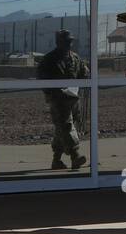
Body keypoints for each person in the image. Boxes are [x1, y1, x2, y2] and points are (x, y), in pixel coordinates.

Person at [37, 29, 89, 171]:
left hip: (72, 98)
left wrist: (86, 79)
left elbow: (84, 74)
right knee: (66, 126)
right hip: (58, 100)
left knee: (62, 128)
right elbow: (41, 78)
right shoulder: (49, 59)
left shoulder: (75, 58)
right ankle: (75, 155)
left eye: (70, 41)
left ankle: (56, 160)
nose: (69, 44)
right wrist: (51, 93)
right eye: (66, 41)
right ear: (58, 42)